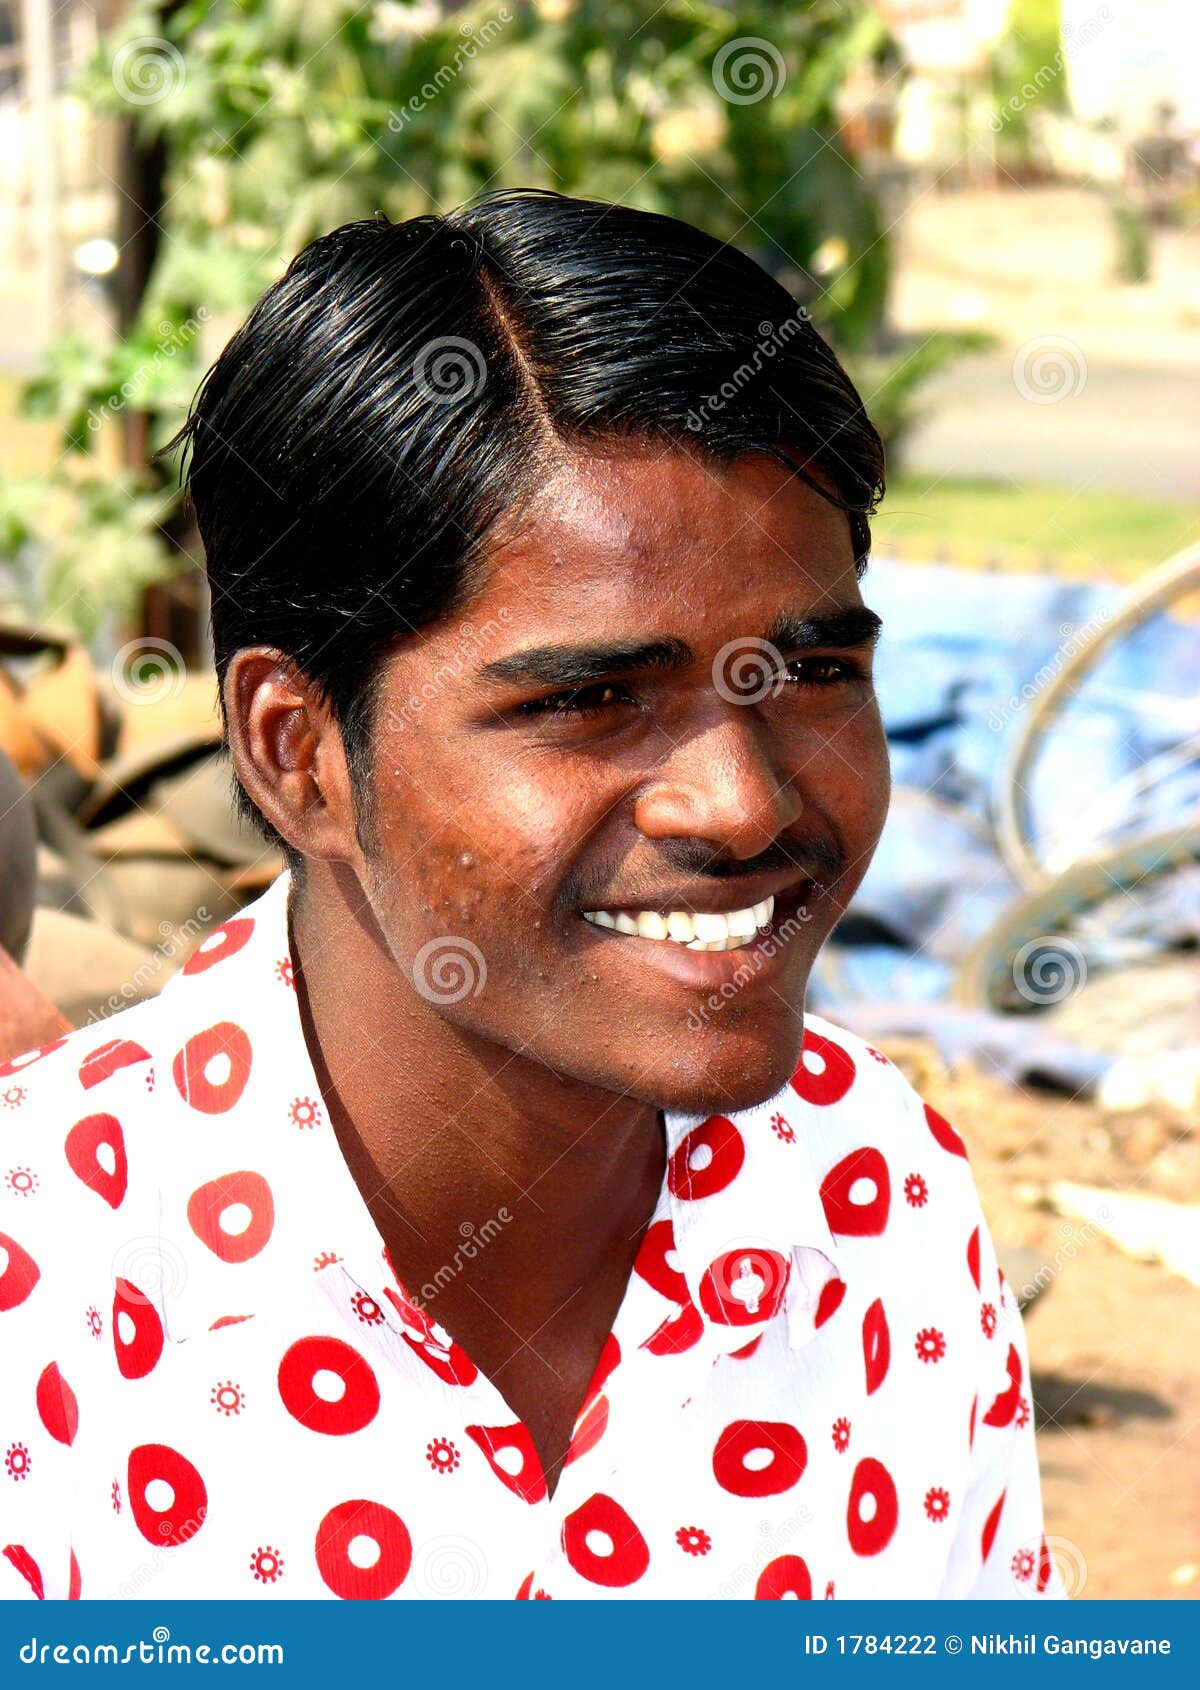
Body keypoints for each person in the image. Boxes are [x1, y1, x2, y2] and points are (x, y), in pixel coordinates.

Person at [0, 189, 1063, 1601]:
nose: (741, 803)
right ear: (297, 753)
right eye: (590, 701)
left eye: (808, 673)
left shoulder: (876, 1197)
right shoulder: (49, 1274)